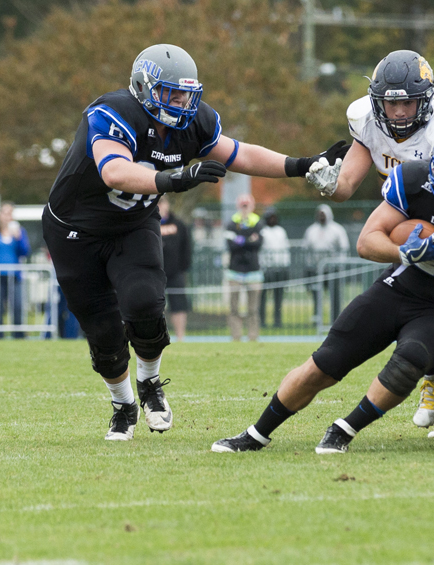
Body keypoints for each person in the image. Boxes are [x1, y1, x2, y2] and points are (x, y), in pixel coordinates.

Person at [42, 43, 348, 441]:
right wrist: (172, 180)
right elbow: (114, 171)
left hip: (133, 224)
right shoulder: (113, 111)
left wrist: (300, 165)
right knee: (103, 333)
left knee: (145, 304)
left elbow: (239, 153)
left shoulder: (195, 121)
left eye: (186, 92)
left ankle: (150, 384)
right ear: (143, 87)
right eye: (171, 92)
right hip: (74, 231)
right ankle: (123, 405)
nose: (181, 101)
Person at [211, 121, 434, 454]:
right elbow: (367, 242)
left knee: (409, 361)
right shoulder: (414, 180)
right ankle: (256, 434)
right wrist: (403, 253)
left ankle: (344, 429)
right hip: (399, 288)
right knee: (326, 362)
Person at [304, 50, 434, 432]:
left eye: (407, 102)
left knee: (420, 316)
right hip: (414, 231)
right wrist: (328, 183)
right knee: (417, 319)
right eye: (391, 102)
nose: (399, 111)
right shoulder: (367, 122)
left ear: (425, 100)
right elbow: (346, 186)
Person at [0, 201, 31, 339]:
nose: (7, 216)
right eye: (5, 213)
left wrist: (18, 238)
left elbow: (25, 251)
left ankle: (18, 334)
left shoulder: (19, 231)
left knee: (17, 305)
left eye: (10, 213)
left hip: (14, 274)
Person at [302, 203, 349, 325]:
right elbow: (306, 249)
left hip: (333, 269)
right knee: (316, 295)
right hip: (316, 269)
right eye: (319, 214)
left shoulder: (337, 229)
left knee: (335, 296)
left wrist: (340, 265)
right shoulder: (311, 230)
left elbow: (344, 247)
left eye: (323, 214)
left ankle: (336, 319)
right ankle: (317, 319)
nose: (321, 217)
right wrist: (309, 265)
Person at [225, 193, 263, 342]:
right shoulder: (231, 223)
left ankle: (253, 337)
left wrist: (240, 239)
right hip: (234, 271)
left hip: (253, 271)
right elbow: (230, 246)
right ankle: (236, 337)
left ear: (252, 206)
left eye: (247, 205)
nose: (245, 208)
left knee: (253, 309)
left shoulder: (258, 223)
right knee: (234, 308)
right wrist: (249, 240)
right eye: (243, 205)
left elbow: (258, 244)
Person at [157, 196, 192, 342]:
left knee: (179, 305)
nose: (160, 207)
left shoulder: (178, 224)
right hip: (155, 274)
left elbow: (187, 247)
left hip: (176, 273)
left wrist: (183, 268)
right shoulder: (147, 224)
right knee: (155, 307)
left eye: (162, 203)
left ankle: (180, 337)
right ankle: (158, 338)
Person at [259, 207, 291, 329]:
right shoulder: (263, 232)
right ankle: (262, 321)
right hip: (267, 269)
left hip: (280, 268)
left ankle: (277, 321)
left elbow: (285, 249)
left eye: (274, 217)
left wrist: (286, 265)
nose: (272, 219)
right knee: (263, 297)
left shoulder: (281, 231)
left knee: (278, 297)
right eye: (270, 217)